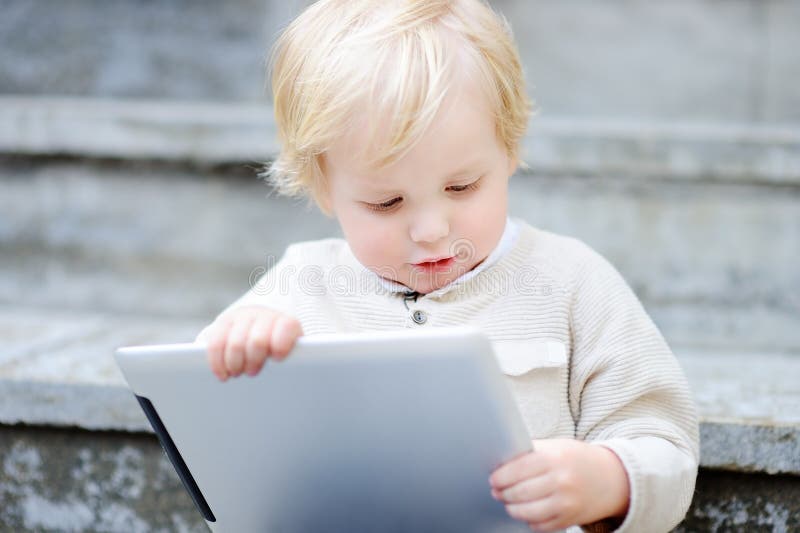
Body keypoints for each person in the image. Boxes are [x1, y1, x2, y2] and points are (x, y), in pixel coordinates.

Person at [195, 1, 699, 531]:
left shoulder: (571, 281)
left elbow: (664, 442)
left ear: (508, 147)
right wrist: (235, 348)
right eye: (386, 203)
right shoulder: (298, 287)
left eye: (461, 187)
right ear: (322, 187)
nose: (431, 229)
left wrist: (608, 478)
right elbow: (206, 430)